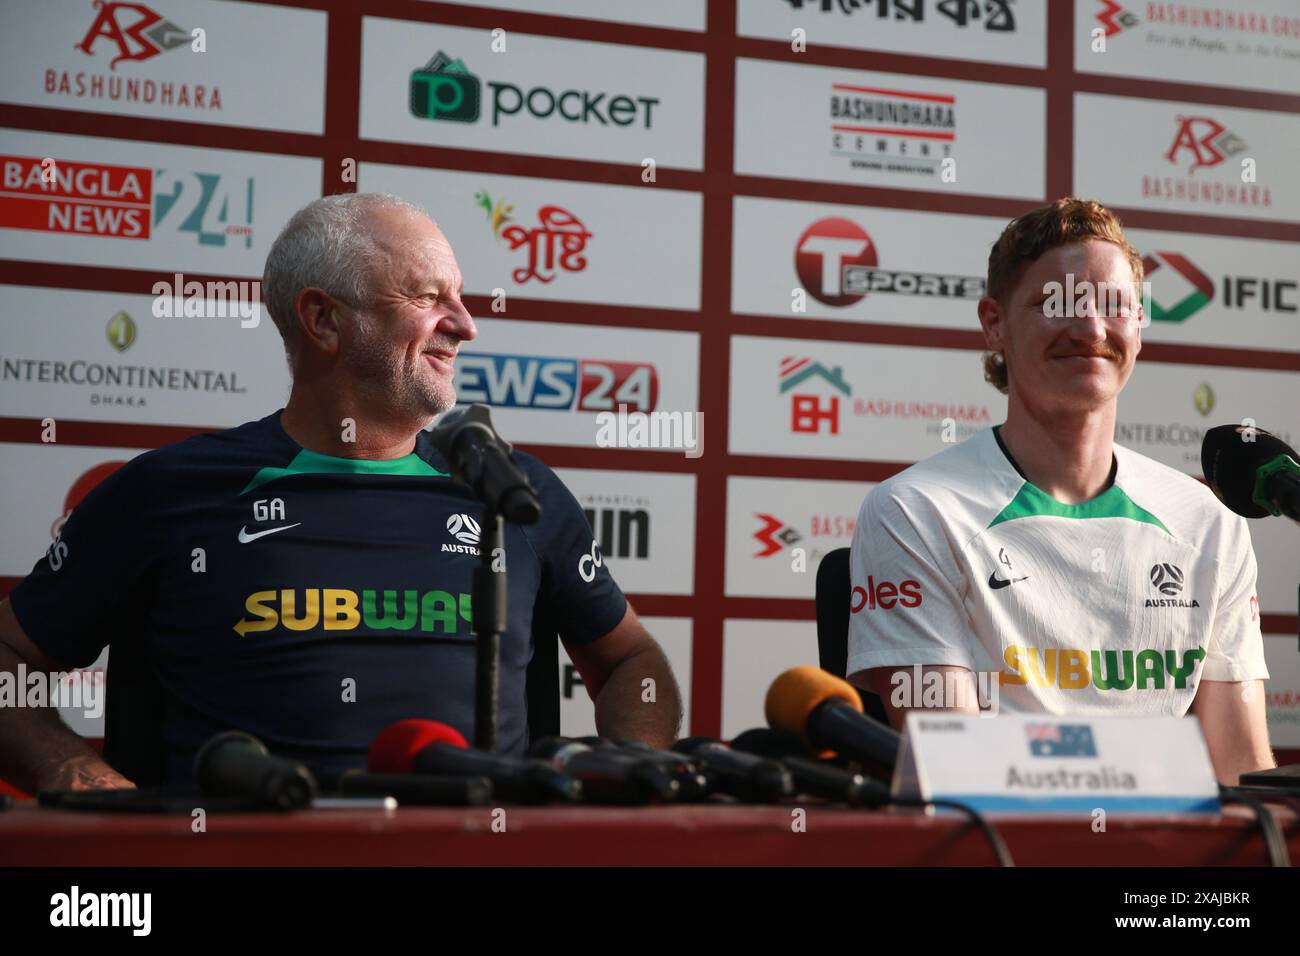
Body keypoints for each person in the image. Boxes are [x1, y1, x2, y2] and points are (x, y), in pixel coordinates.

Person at [0, 193, 681, 792]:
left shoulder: (511, 492)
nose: (465, 324)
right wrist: (68, 768)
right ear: (323, 320)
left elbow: (630, 659)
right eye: (426, 296)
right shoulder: (168, 491)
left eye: (460, 296)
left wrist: (626, 767)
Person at [847, 197, 1274, 786]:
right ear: (995, 324)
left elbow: (1240, 770)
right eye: (1058, 303)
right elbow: (957, 775)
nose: (1091, 328)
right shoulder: (915, 510)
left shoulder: (1210, 522)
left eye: (1114, 305)